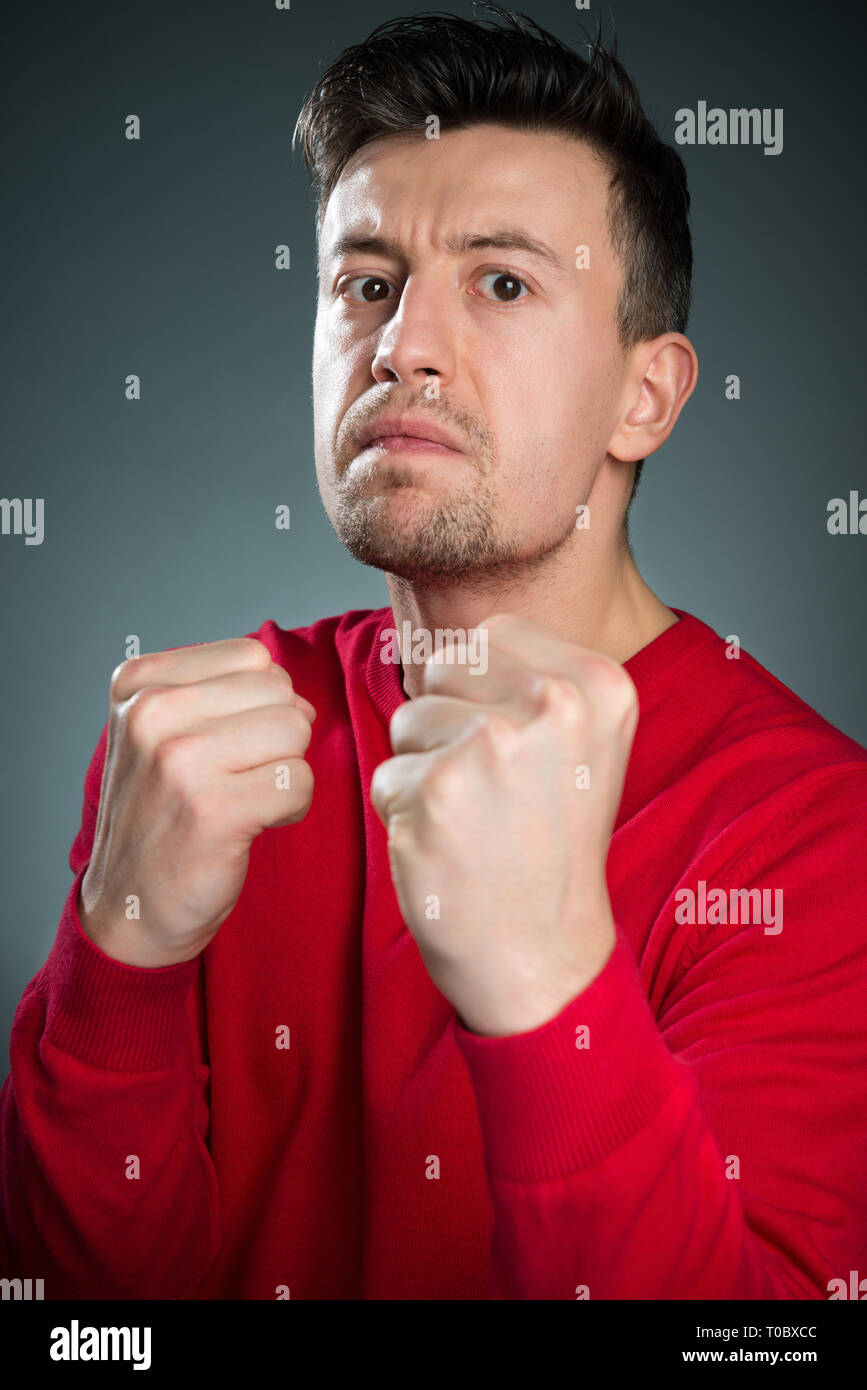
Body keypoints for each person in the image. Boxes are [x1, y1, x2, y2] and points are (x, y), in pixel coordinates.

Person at [1, 3, 865, 1301]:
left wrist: (549, 991)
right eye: (366, 282)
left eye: (503, 281)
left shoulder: (815, 833)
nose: (399, 345)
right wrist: (119, 959)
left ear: (650, 393)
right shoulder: (189, 748)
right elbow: (85, 1326)